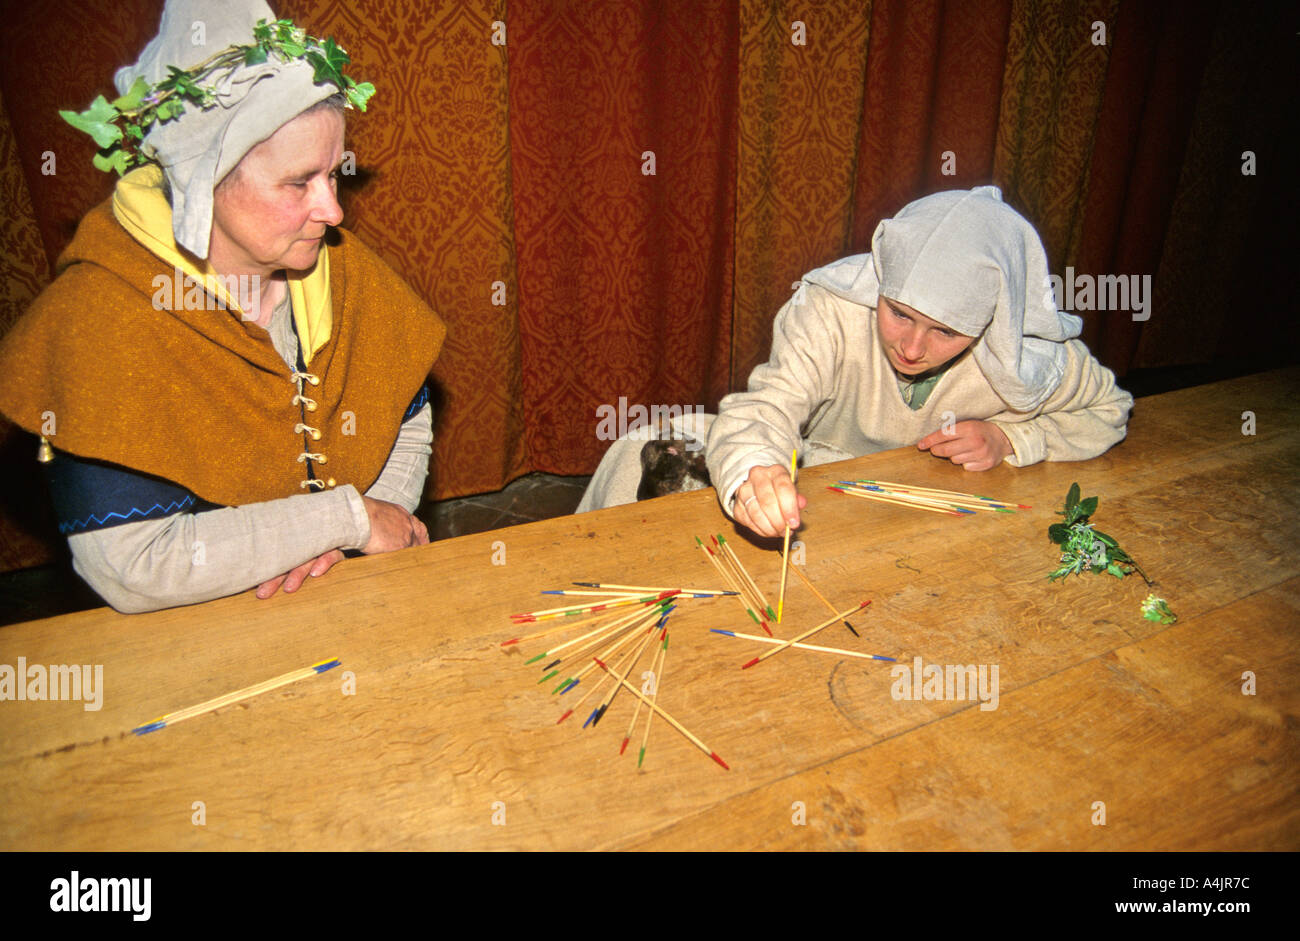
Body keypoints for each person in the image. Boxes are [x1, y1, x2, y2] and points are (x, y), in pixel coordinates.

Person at [0, 0, 445, 612]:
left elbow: (408, 416)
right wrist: (345, 520)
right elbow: (133, 565)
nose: (334, 211)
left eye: (333, 175)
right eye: (298, 182)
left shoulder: (337, 265)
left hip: (353, 594)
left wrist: (371, 526)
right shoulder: (102, 318)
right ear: (200, 180)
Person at [578, 186, 1133, 539]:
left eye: (946, 331)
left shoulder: (1023, 354)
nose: (912, 348)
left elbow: (1110, 409)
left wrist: (1011, 440)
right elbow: (766, 409)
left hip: (932, 505)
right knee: (640, 449)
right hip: (817, 470)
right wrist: (756, 473)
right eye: (897, 314)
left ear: (993, 321)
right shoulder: (832, 309)